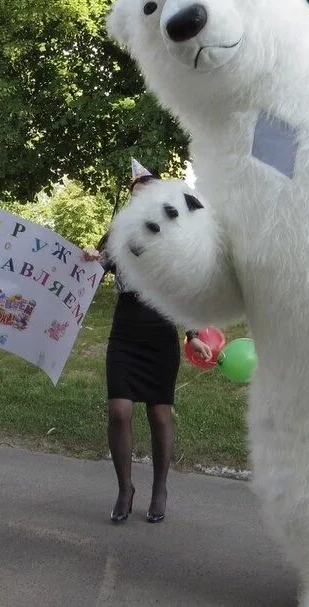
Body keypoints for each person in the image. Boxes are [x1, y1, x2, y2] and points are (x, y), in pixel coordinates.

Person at [82, 160, 213, 524]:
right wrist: (92, 257)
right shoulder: (117, 236)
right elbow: (95, 266)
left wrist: (193, 334)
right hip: (125, 330)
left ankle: (159, 487)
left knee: (159, 413)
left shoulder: (172, 240)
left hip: (159, 332)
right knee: (119, 411)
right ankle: (125, 487)